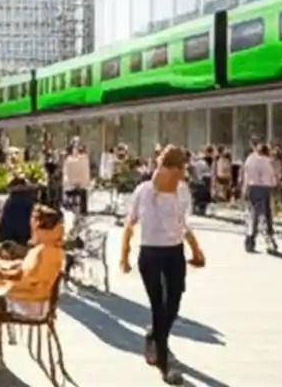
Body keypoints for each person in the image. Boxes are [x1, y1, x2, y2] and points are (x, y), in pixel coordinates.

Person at [119, 146, 206, 386]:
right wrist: (124, 255)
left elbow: (183, 225)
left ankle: (153, 336)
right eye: (181, 169)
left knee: (173, 305)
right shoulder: (143, 191)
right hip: (150, 254)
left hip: (174, 253)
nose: (183, 173)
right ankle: (165, 364)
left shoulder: (182, 191)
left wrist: (197, 251)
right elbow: (129, 224)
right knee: (159, 307)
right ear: (171, 168)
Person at [0, 204, 66, 368]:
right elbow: (28, 271)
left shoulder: (46, 250)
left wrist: (2, 276)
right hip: (29, 295)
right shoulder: (46, 247)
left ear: (38, 224)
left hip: (30, 302)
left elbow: (29, 281)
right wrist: (6, 270)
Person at [241, 142, 278, 253]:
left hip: (252, 187)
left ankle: (250, 240)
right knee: (266, 215)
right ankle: (269, 241)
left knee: (253, 214)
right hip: (264, 188)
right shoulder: (268, 161)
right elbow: (272, 176)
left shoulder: (250, 159)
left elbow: (245, 175)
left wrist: (245, 190)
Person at [0, 174, 39, 258]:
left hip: (9, 240)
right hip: (25, 240)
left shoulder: (9, 203)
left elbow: (3, 225)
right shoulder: (29, 203)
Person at [62, 139, 91, 216]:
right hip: (74, 186)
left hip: (74, 186)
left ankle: (81, 211)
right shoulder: (82, 158)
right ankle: (81, 212)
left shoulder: (81, 158)